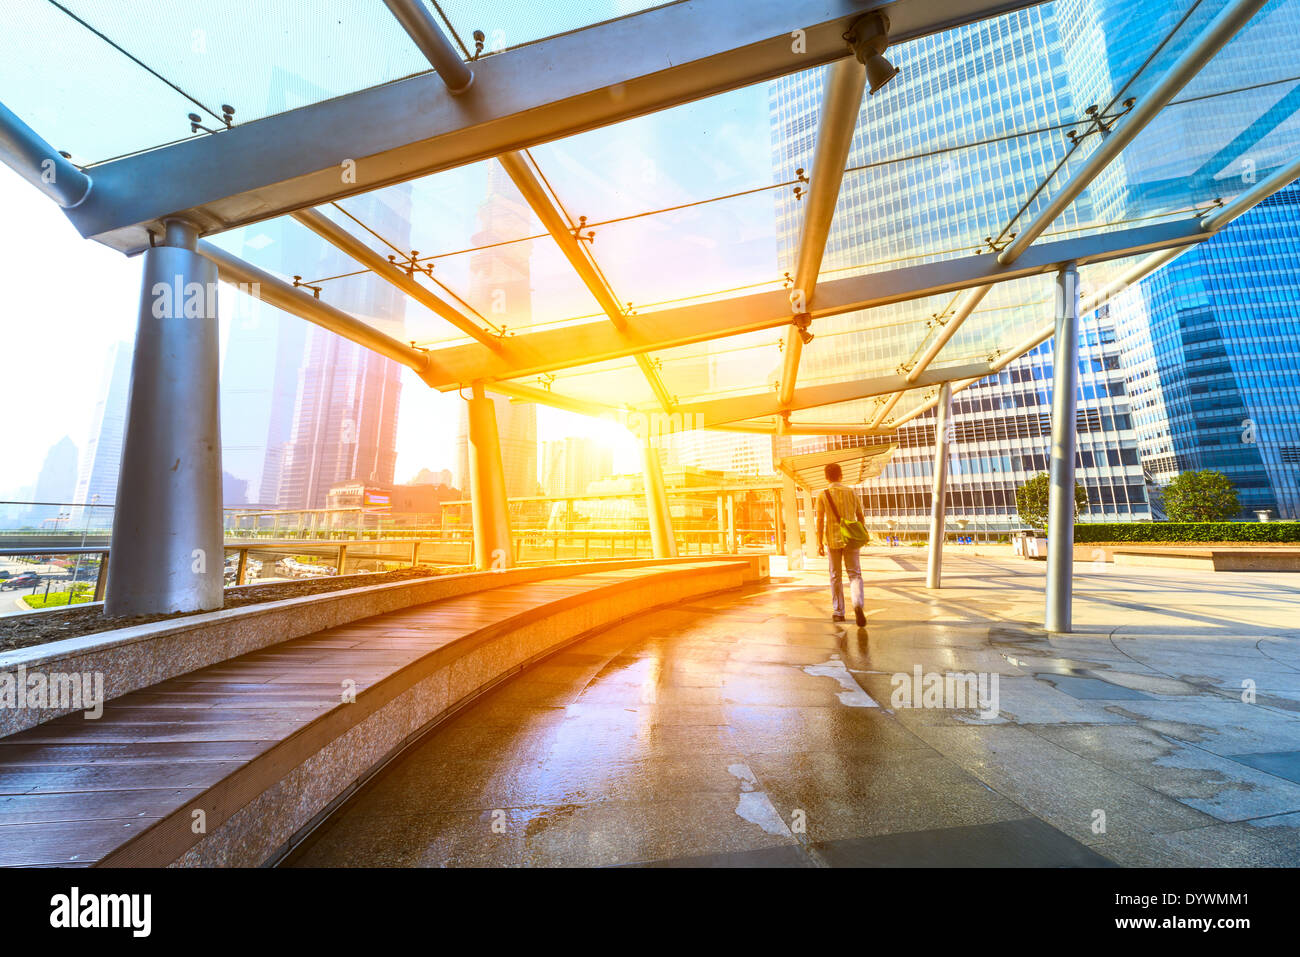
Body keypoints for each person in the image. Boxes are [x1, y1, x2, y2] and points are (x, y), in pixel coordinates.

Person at [815, 463, 866, 626]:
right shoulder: (851, 492)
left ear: (826, 477)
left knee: (835, 576)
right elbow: (860, 515)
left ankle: (838, 612)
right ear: (841, 475)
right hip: (851, 539)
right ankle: (857, 604)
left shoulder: (823, 495)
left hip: (832, 540)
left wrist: (819, 542)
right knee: (855, 574)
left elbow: (820, 520)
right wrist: (861, 532)